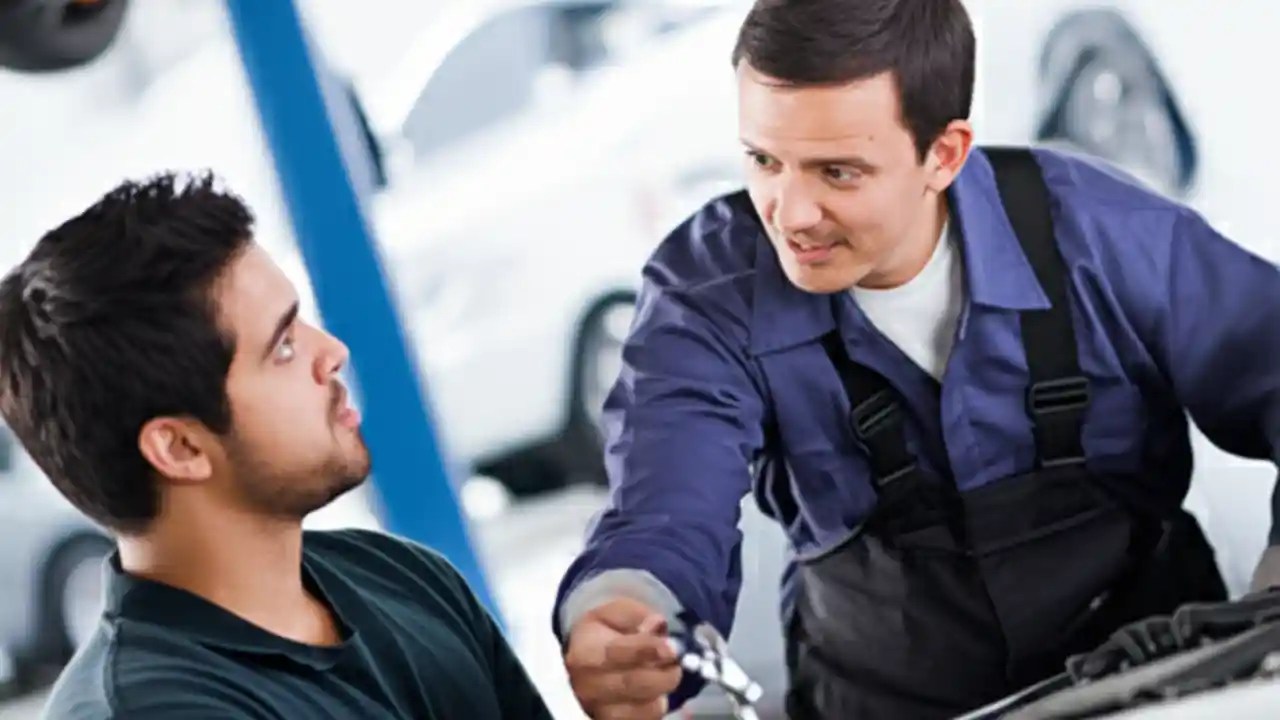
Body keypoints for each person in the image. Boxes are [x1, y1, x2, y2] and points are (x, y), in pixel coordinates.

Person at [552, 0, 1280, 718]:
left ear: (944, 154)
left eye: (838, 172)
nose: (791, 213)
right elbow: (665, 498)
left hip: (1172, 688)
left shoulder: (1099, 234)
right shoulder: (708, 293)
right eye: (765, 160)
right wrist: (627, 607)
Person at [0, 172, 553, 720]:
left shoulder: (406, 578)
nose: (332, 352)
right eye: (283, 346)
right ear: (181, 448)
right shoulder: (149, 711)